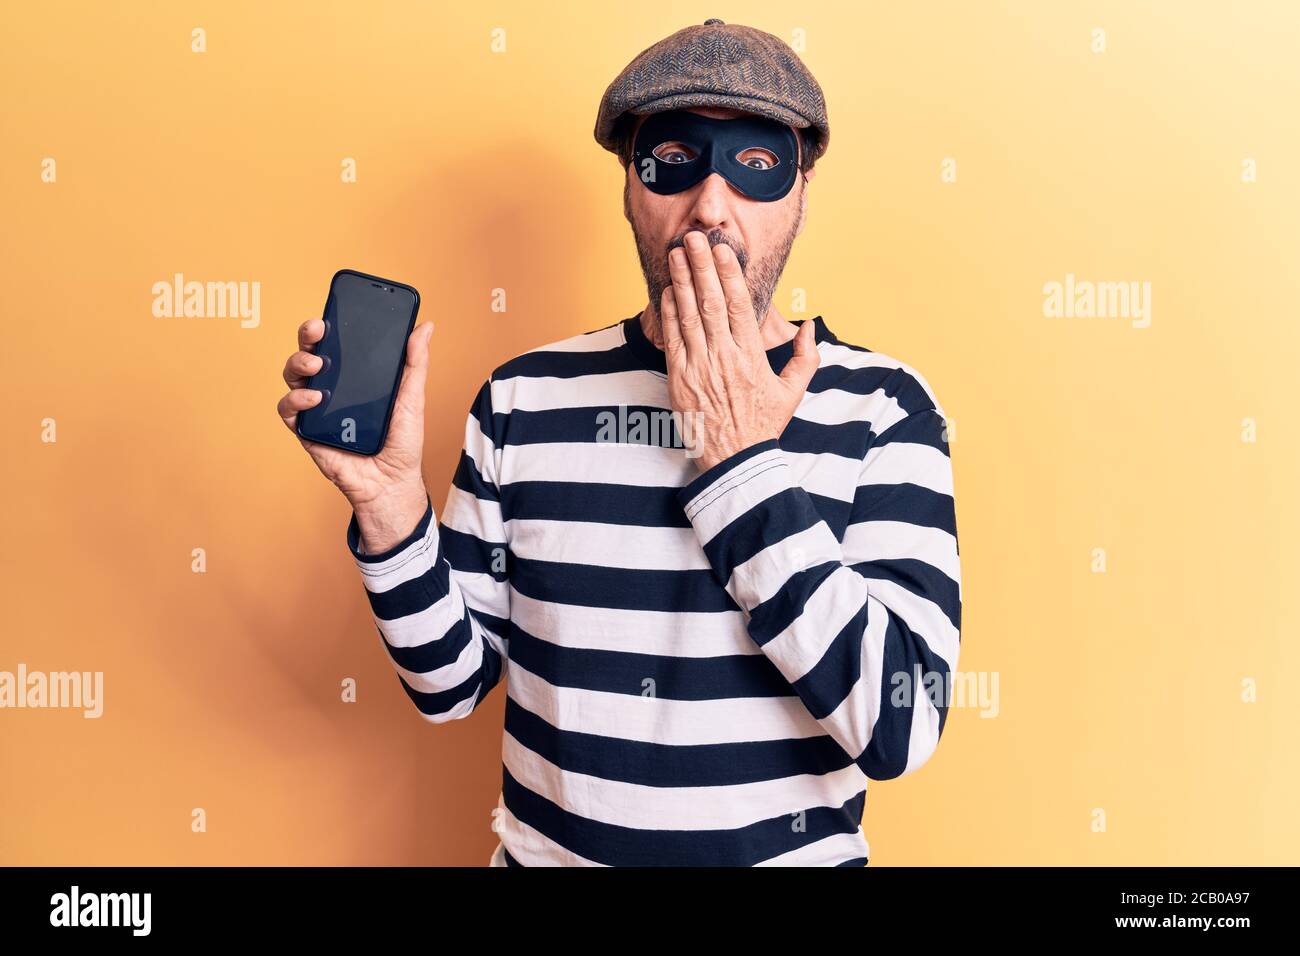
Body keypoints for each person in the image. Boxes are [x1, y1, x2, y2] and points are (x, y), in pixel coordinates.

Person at [276, 19, 961, 866]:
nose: (710, 206)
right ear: (629, 188)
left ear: (802, 189)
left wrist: (743, 465)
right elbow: (451, 687)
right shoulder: (525, 396)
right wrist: (388, 511)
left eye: (755, 166)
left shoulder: (886, 407)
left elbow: (901, 727)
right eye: (673, 161)